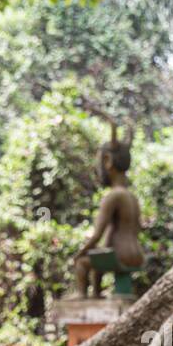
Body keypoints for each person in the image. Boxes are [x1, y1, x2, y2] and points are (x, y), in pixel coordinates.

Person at [72, 127, 143, 298]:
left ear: (108, 160)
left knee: (83, 262)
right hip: (137, 255)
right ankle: (96, 293)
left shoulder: (113, 196)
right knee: (100, 259)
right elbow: (138, 228)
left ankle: (81, 294)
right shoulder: (132, 197)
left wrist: (80, 253)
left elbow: (97, 235)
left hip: (120, 255)